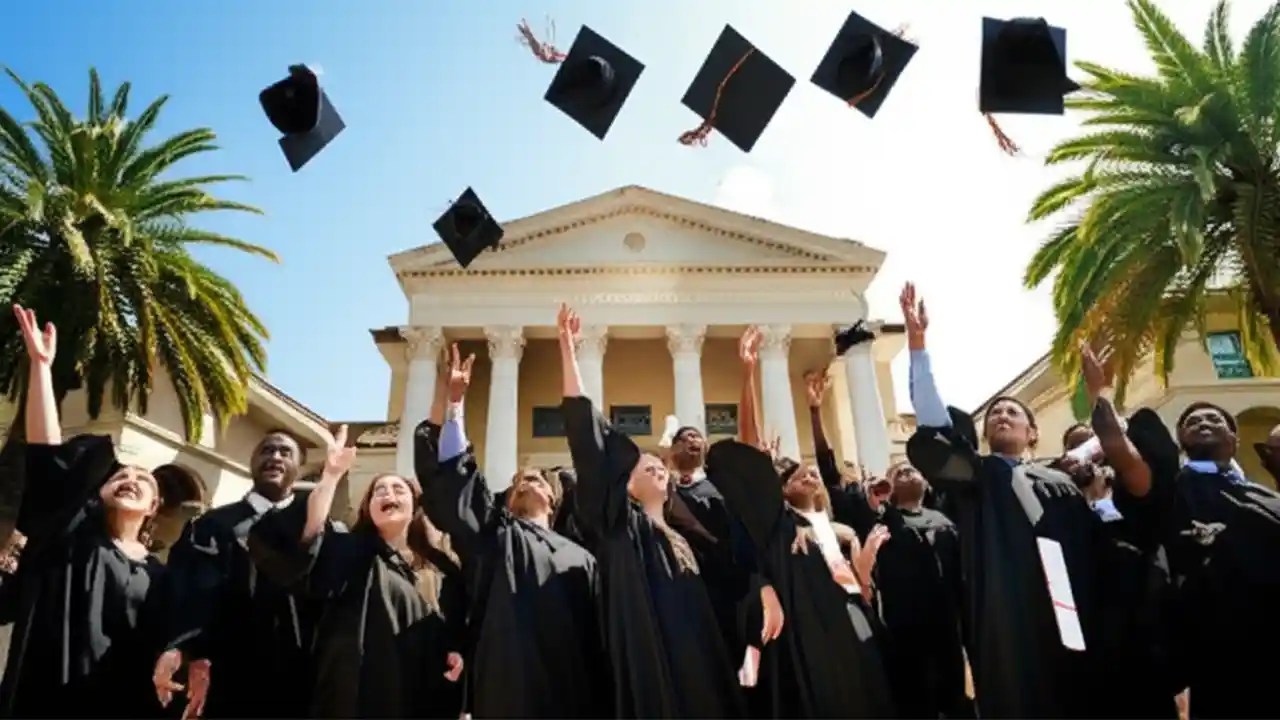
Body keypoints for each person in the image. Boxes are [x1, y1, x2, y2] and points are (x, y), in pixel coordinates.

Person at [901, 283, 1107, 718]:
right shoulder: (977, 478)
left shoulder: (1062, 483)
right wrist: (917, 347)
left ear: (1033, 433)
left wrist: (1100, 395)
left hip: (1067, 616)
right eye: (995, 412)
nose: (1001, 415)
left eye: (1013, 412)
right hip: (1004, 618)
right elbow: (937, 428)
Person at [558, 303, 757, 718]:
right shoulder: (616, 525)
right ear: (626, 485)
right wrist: (567, 350)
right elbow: (590, 446)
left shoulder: (686, 538)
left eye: (659, 466)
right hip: (653, 661)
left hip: (702, 664)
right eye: (646, 466)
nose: (658, 470)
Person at [702, 325, 895, 718]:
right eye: (794, 476)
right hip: (810, 634)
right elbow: (750, 449)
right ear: (780, 490)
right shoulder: (778, 521)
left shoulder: (836, 529)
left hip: (856, 624)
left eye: (810, 473)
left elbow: (855, 584)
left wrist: (864, 567)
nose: (807, 475)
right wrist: (747, 372)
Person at [420, 342, 609, 718]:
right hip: (509, 684)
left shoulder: (584, 558)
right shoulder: (495, 536)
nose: (527, 482)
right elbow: (461, 489)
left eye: (537, 479)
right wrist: (454, 405)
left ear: (553, 500)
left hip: (572, 688)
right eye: (519, 482)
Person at [0, 305, 166, 718]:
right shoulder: (70, 534)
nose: (129, 479)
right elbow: (49, 459)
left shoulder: (161, 574)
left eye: (142, 480)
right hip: (45, 702)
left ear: (153, 507)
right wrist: (41, 368)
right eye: (120, 475)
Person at [248, 424, 465, 718]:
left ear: (415, 505)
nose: (388, 493)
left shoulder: (443, 569)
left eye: (398, 489)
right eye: (379, 491)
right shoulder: (350, 552)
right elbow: (307, 541)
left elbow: (455, 630)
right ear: (368, 509)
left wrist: (455, 652)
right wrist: (331, 476)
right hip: (357, 696)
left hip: (418, 697)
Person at [1090, 385, 1280, 718]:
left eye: (1214, 418)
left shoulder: (1269, 501)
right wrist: (1101, 391)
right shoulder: (1168, 492)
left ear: (1234, 439)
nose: (1203, 422)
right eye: (1192, 421)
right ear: (1180, 442)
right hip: (1214, 664)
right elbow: (1118, 448)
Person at [807, 366, 970, 719]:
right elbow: (829, 470)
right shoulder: (879, 521)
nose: (906, 472)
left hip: (949, 637)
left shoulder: (945, 516)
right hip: (902, 642)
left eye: (911, 469)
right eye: (897, 473)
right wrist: (816, 412)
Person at [154, 428, 318, 718]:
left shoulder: (313, 531)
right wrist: (189, 648)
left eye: (285, 452)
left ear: (299, 469)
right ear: (252, 463)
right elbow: (189, 592)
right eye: (267, 450)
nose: (275, 457)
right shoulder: (211, 526)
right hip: (226, 676)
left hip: (295, 679)